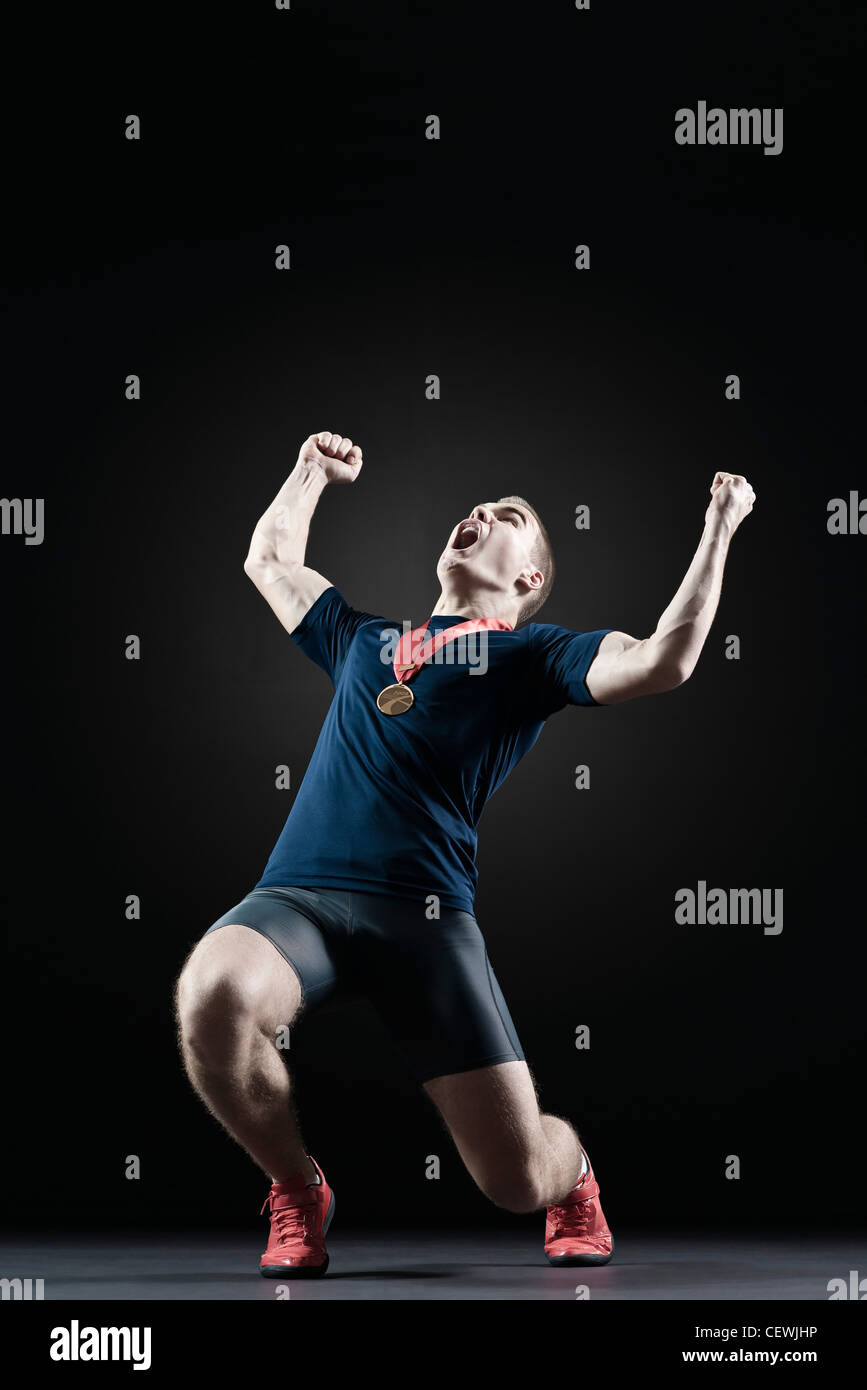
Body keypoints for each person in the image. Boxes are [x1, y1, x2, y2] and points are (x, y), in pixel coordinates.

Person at [174, 430, 755, 1277]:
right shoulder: (361, 639)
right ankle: (296, 1187)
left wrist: (719, 528)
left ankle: (574, 1178)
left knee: (515, 1180)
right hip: (300, 901)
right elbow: (270, 560)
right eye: (477, 505)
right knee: (209, 993)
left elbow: (663, 660)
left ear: (528, 579)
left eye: (509, 515)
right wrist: (310, 471)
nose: (480, 511)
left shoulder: (533, 654)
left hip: (425, 924)